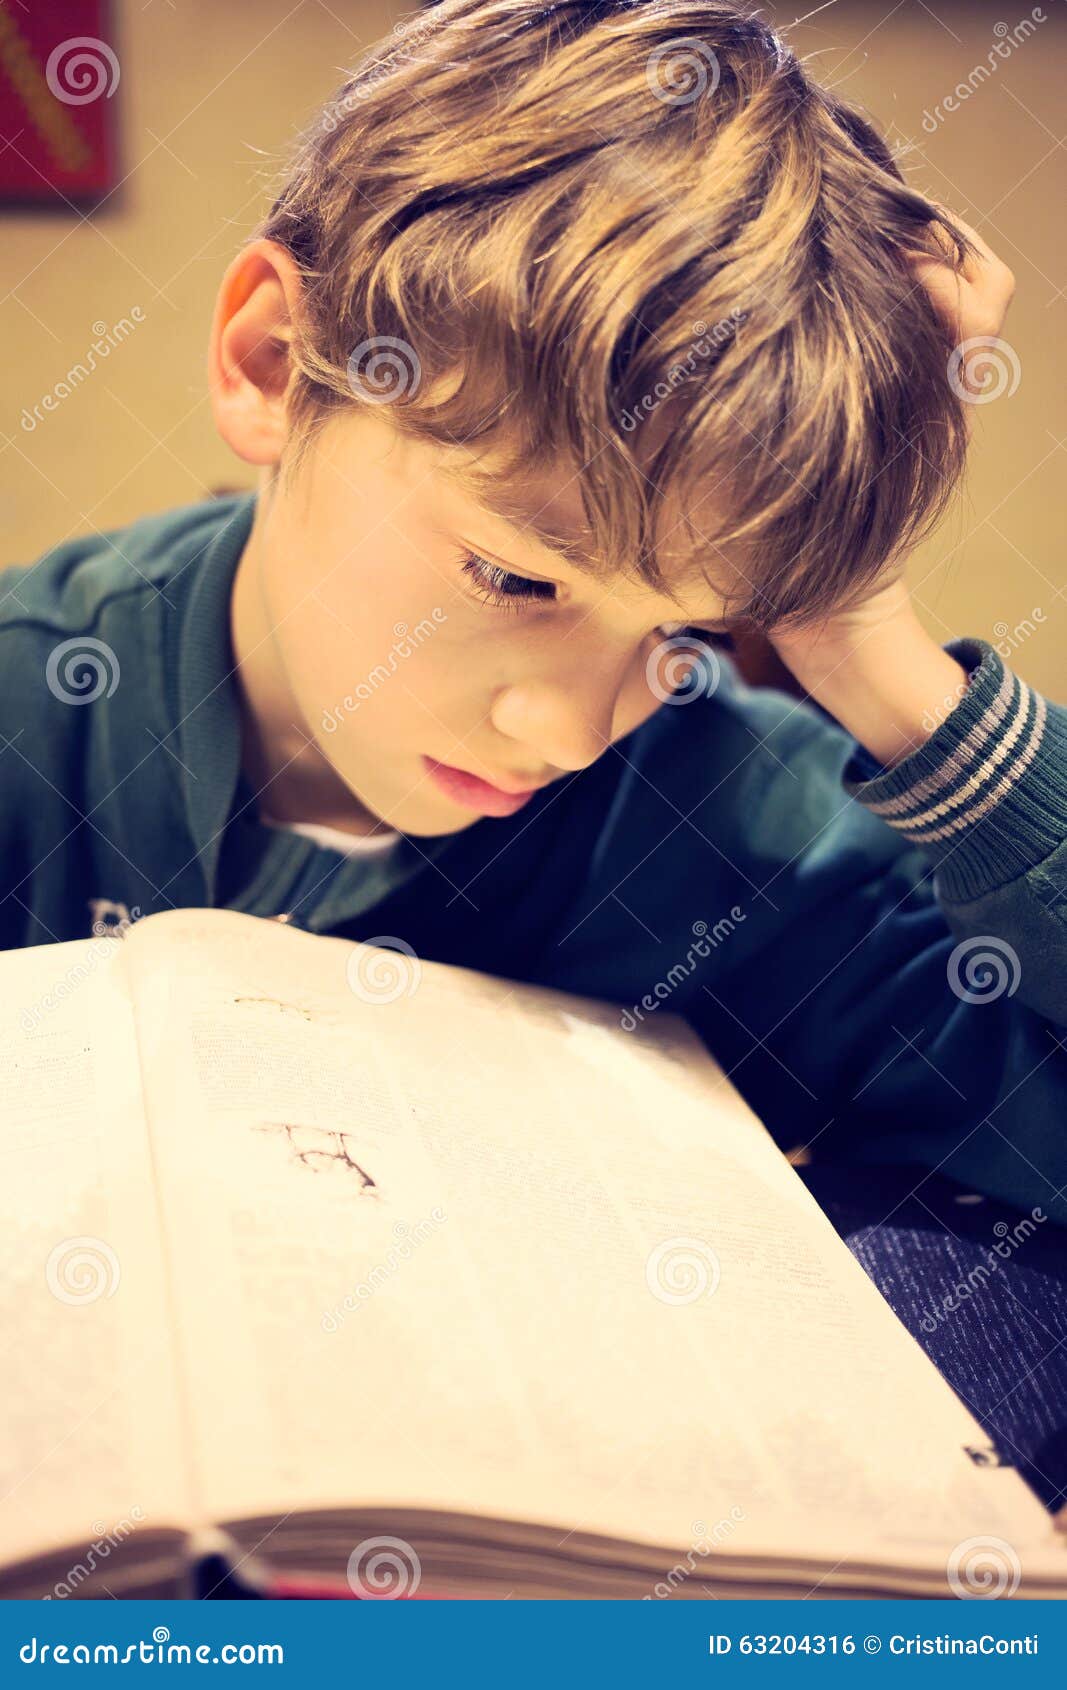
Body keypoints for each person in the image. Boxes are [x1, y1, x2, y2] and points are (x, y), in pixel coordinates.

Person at [1, 0, 1062, 1242]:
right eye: (515, 579)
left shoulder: (721, 823)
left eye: (685, 632)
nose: (566, 729)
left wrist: (869, 634)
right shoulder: (39, 710)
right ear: (277, 361)